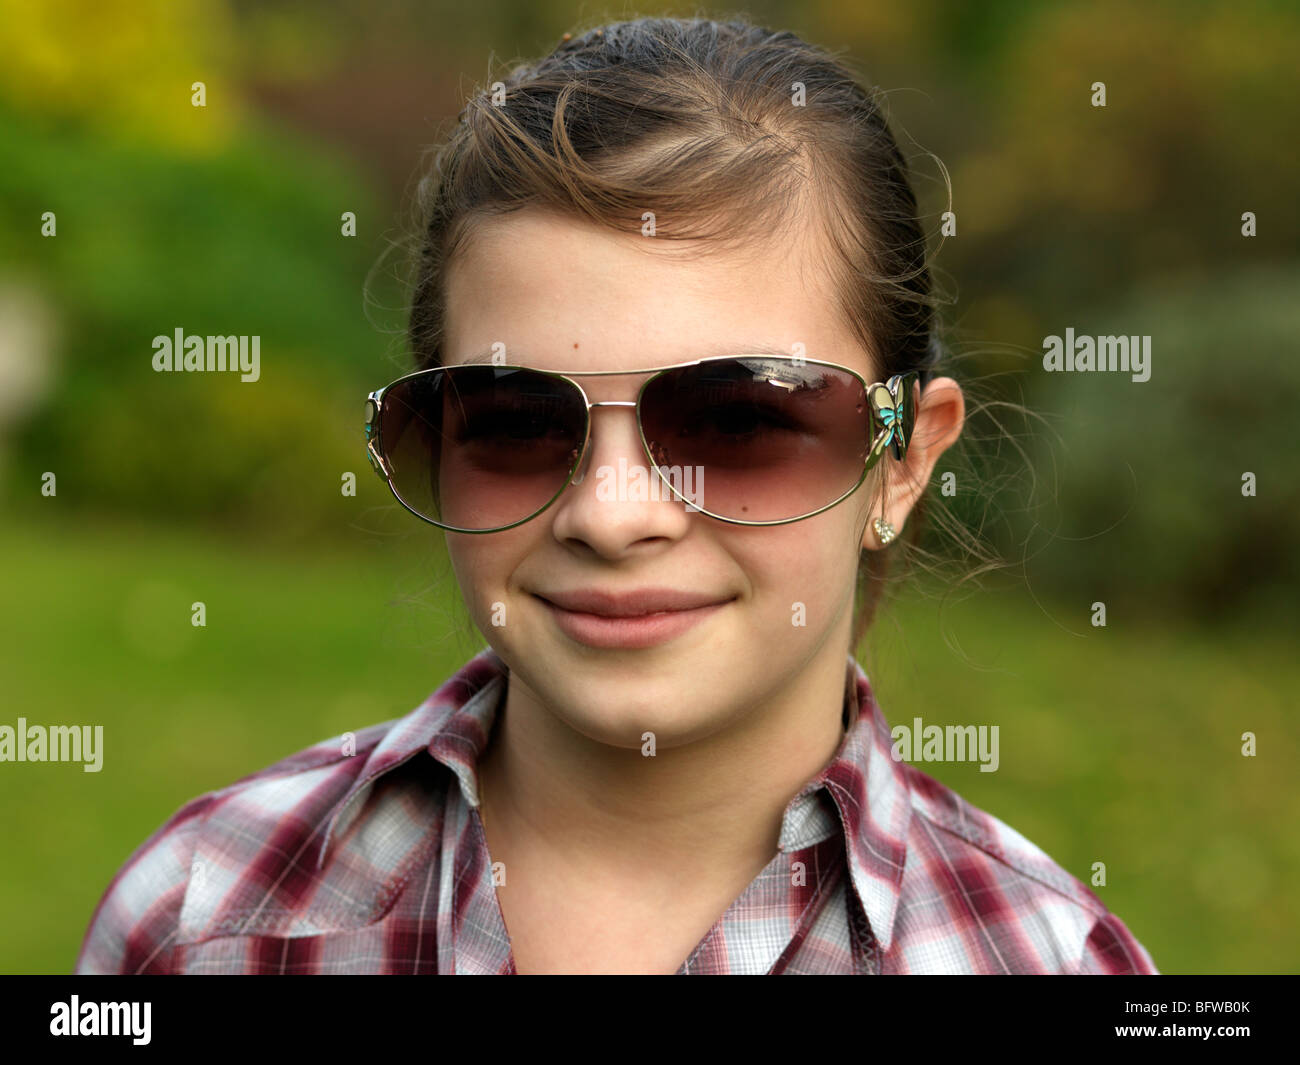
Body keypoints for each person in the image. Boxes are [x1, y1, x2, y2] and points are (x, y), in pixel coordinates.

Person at [75, 15, 1158, 975]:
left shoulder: (1047, 959)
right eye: (514, 420)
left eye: (737, 419)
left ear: (904, 461)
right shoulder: (201, 919)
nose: (612, 513)